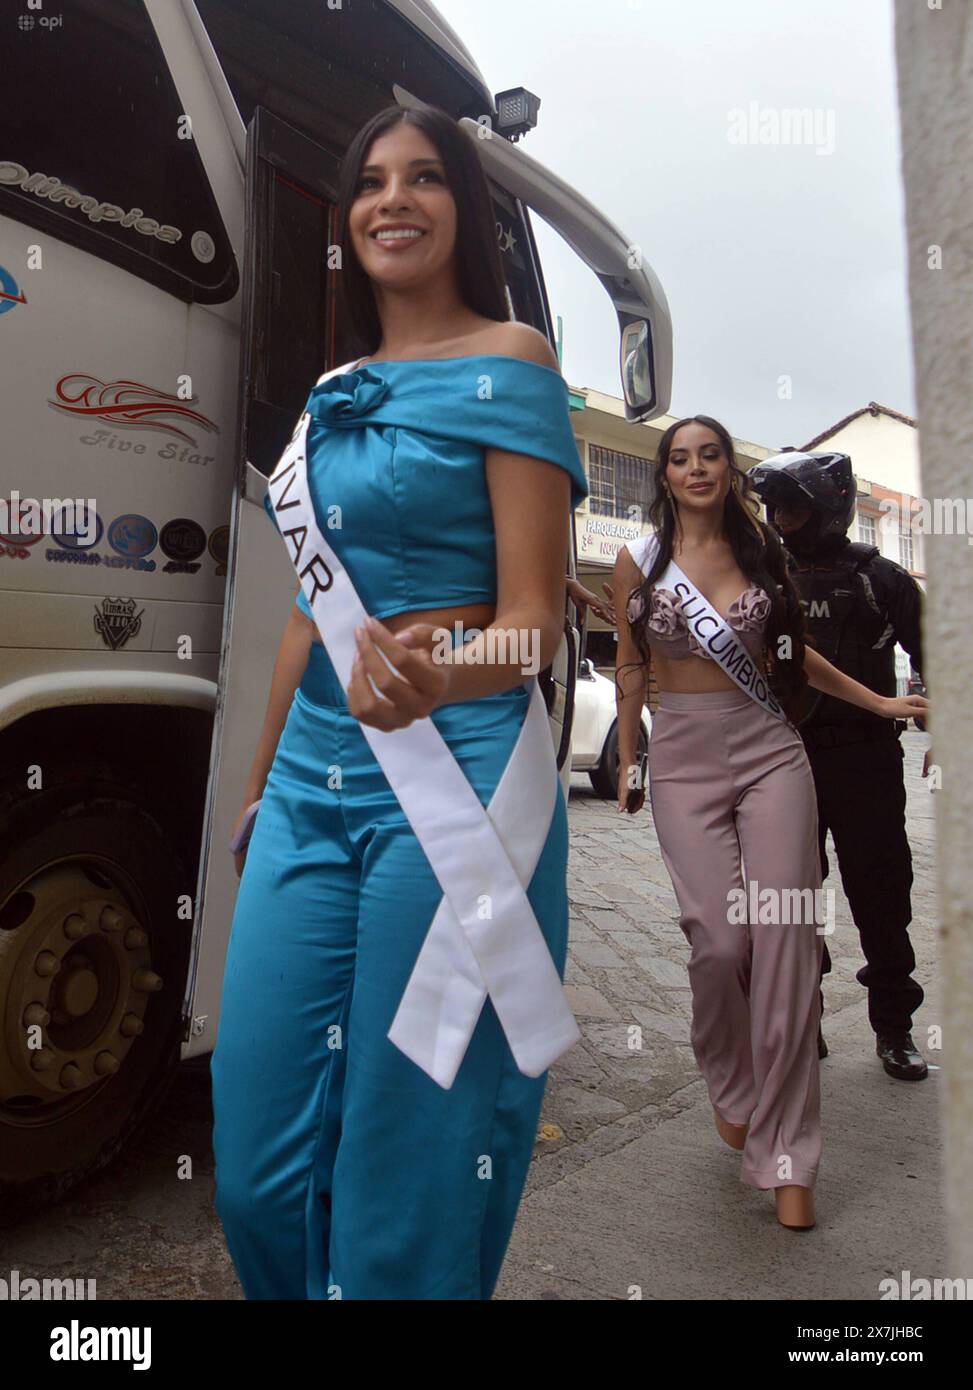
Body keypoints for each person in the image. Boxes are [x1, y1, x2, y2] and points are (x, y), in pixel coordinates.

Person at [209, 103, 589, 1300]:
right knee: (255, 1163)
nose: (393, 200)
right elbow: (299, 616)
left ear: (461, 211)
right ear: (347, 215)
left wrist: (447, 665)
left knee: (404, 1146)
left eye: (425, 178)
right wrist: (266, 786)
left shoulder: (513, 357)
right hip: (314, 776)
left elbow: (536, 619)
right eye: (371, 180)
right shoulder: (328, 392)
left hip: (458, 778)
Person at [612, 417, 927, 1230]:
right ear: (664, 473)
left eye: (709, 454)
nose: (695, 468)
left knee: (786, 941)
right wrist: (624, 751)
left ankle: (788, 1152)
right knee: (720, 943)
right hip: (682, 758)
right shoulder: (636, 563)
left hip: (770, 755)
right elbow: (631, 660)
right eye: (679, 457)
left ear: (727, 470)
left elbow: (797, 657)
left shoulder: (764, 560)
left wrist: (880, 699)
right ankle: (731, 1081)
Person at [751, 450, 929, 1081]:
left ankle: (895, 1027)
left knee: (881, 893)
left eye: (793, 507)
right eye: (773, 509)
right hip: (783, 757)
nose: (780, 519)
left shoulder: (883, 580)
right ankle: (804, 1015)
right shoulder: (761, 578)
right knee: (793, 895)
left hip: (866, 758)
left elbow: (934, 652)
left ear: (829, 508)